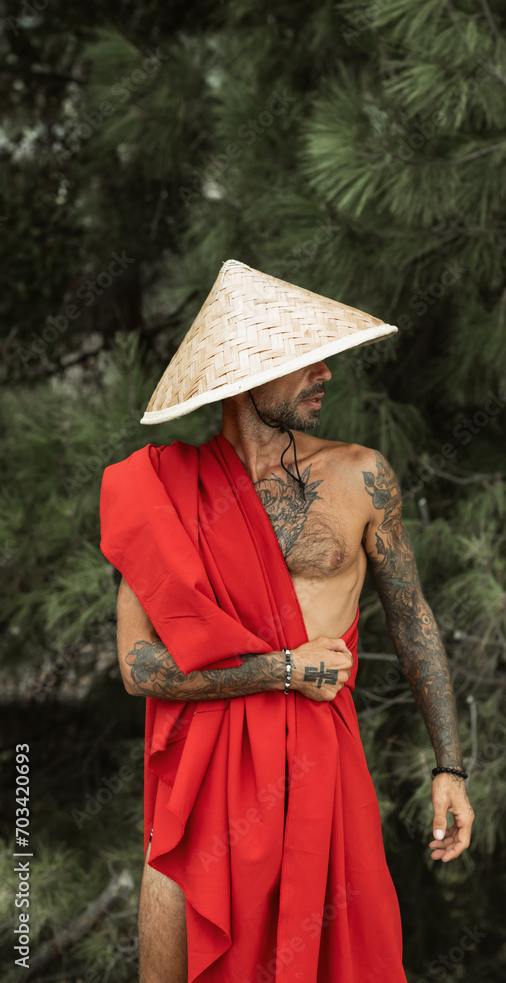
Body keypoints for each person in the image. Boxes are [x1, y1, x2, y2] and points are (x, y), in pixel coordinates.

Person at [100, 259, 473, 983]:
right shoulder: (162, 491)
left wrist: (449, 766)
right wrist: (280, 669)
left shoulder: (362, 475)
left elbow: (411, 618)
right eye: (300, 359)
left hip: (319, 769)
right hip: (199, 776)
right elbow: (137, 666)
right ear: (241, 376)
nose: (324, 372)